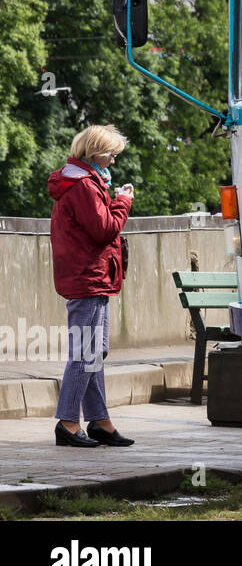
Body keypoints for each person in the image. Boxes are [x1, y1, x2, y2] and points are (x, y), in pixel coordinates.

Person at [47, 125, 135, 448]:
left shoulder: (85, 182)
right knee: (85, 351)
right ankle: (68, 422)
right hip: (87, 278)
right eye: (110, 153)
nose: (113, 160)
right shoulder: (83, 186)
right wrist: (123, 201)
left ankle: (99, 420)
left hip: (93, 277)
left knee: (97, 350)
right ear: (94, 152)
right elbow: (105, 229)